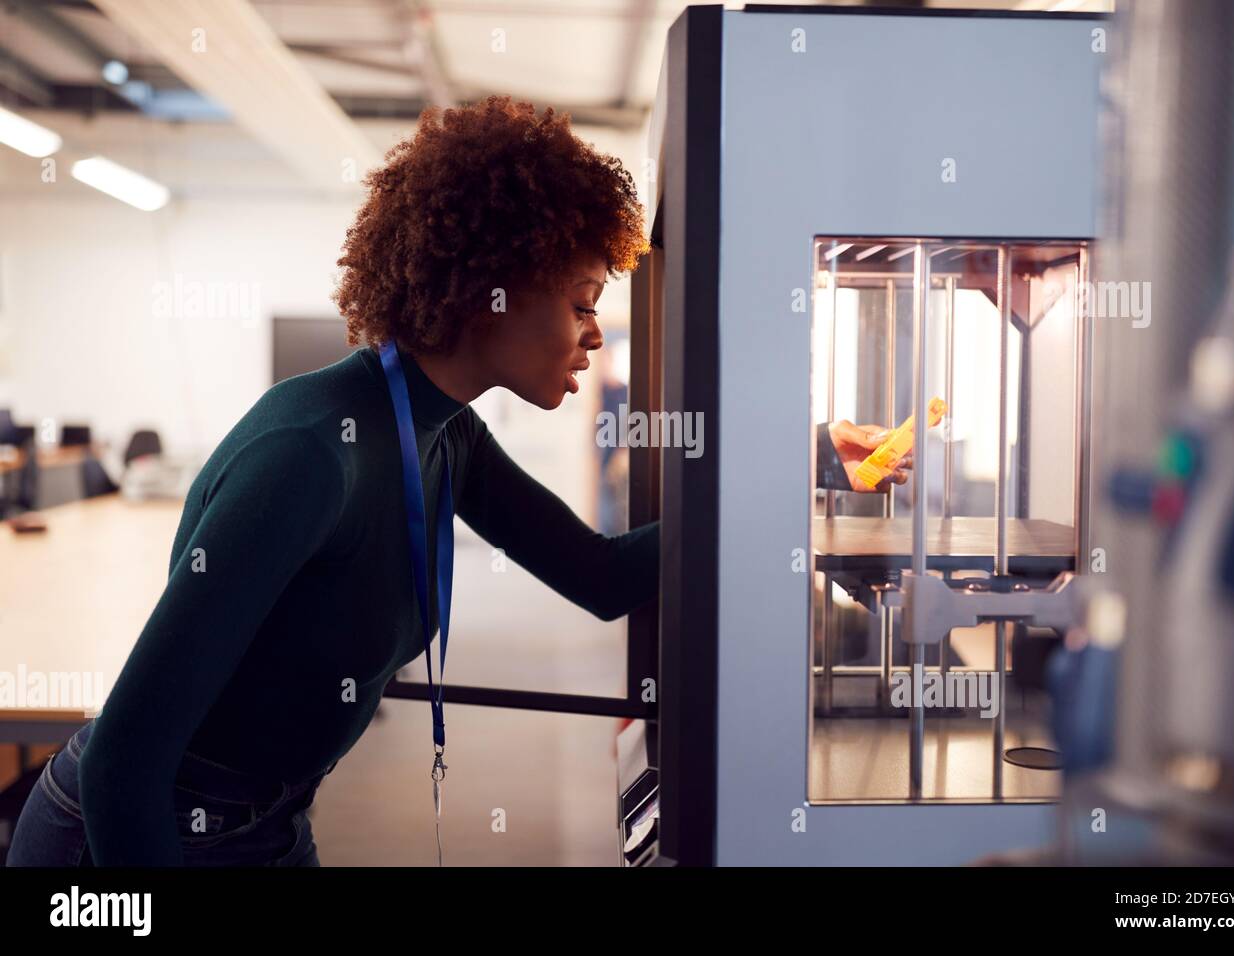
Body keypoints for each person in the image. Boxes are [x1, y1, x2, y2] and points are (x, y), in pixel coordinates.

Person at [7, 96, 905, 867]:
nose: (597, 335)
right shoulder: (311, 455)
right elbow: (126, 756)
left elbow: (599, 577)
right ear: (493, 289)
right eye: (584, 301)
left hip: (269, 826)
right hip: (125, 844)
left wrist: (806, 462)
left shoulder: (445, 435)